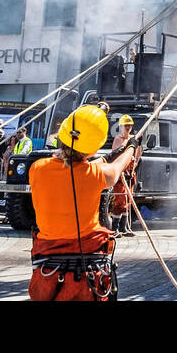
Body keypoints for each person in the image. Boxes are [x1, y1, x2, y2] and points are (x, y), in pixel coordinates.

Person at [26, 105, 138, 301]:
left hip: (48, 271)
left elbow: (69, 167)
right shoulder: (98, 175)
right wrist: (131, 147)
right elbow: (117, 168)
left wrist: (100, 157)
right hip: (88, 271)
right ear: (94, 147)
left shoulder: (37, 169)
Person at [108, 115, 137, 237]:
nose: (128, 128)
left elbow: (137, 154)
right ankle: (115, 228)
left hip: (130, 172)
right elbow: (115, 156)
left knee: (128, 200)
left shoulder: (133, 139)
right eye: (126, 125)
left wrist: (133, 167)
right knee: (119, 200)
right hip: (121, 174)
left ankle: (124, 227)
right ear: (121, 126)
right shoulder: (118, 140)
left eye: (130, 125)